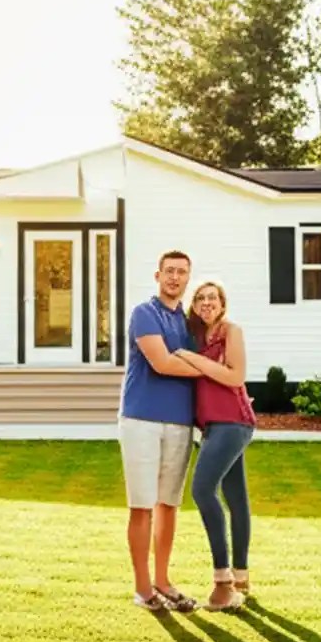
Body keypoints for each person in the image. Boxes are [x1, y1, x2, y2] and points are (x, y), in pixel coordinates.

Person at [118, 250, 201, 612]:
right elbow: (162, 362)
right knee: (142, 507)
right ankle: (143, 589)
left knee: (169, 505)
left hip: (180, 423)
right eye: (169, 271)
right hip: (141, 420)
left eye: (182, 272)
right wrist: (215, 369)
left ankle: (163, 580)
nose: (175, 278)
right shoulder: (143, 314)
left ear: (188, 278)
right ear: (157, 275)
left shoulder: (191, 323)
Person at [174, 279, 256, 611]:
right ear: (194, 305)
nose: (207, 302)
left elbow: (235, 377)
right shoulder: (196, 339)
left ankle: (222, 582)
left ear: (222, 305)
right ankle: (241, 574)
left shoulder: (230, 332)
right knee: (236, 498)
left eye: (213, 297)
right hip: (212, 426)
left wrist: (191, 359)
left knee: (202, 490)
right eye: (201, 298)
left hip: (234, 422)